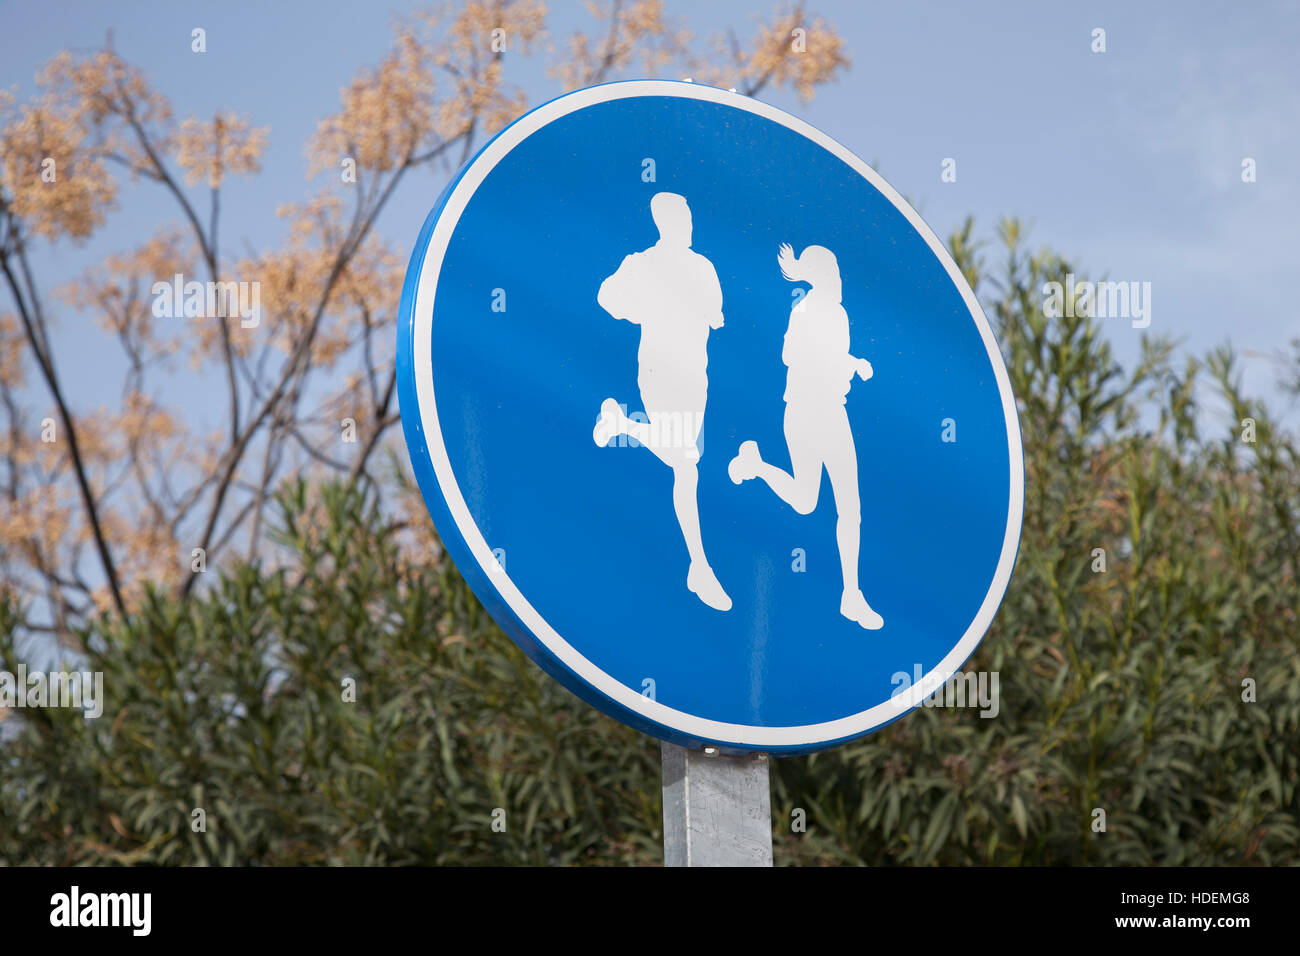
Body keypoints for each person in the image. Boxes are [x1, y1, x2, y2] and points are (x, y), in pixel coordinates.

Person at [727, 242, 884, 630]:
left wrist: (853, 362)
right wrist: (836, 365)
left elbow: (833, 355)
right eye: (832, 271)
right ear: (821, 276)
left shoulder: (839, 313)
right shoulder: (805, 310)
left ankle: (852, 595)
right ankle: (757, 466)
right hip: (804, 413)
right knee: (805, 502)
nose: (839, 278)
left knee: (851, 507)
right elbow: (791, 357)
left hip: (835, 413)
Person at [592, 192, 732, 612]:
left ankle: (621, 424)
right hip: (658, 369)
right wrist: (641, 306)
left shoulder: (702, 266)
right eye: (682, 219)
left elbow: (717, 314)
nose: (688, 226)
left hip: (695, 373)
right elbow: (607, 297)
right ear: (664, 223)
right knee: (685, 457)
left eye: (689, 218)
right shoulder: (642, 263)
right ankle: (700, 566)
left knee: (684, 464)